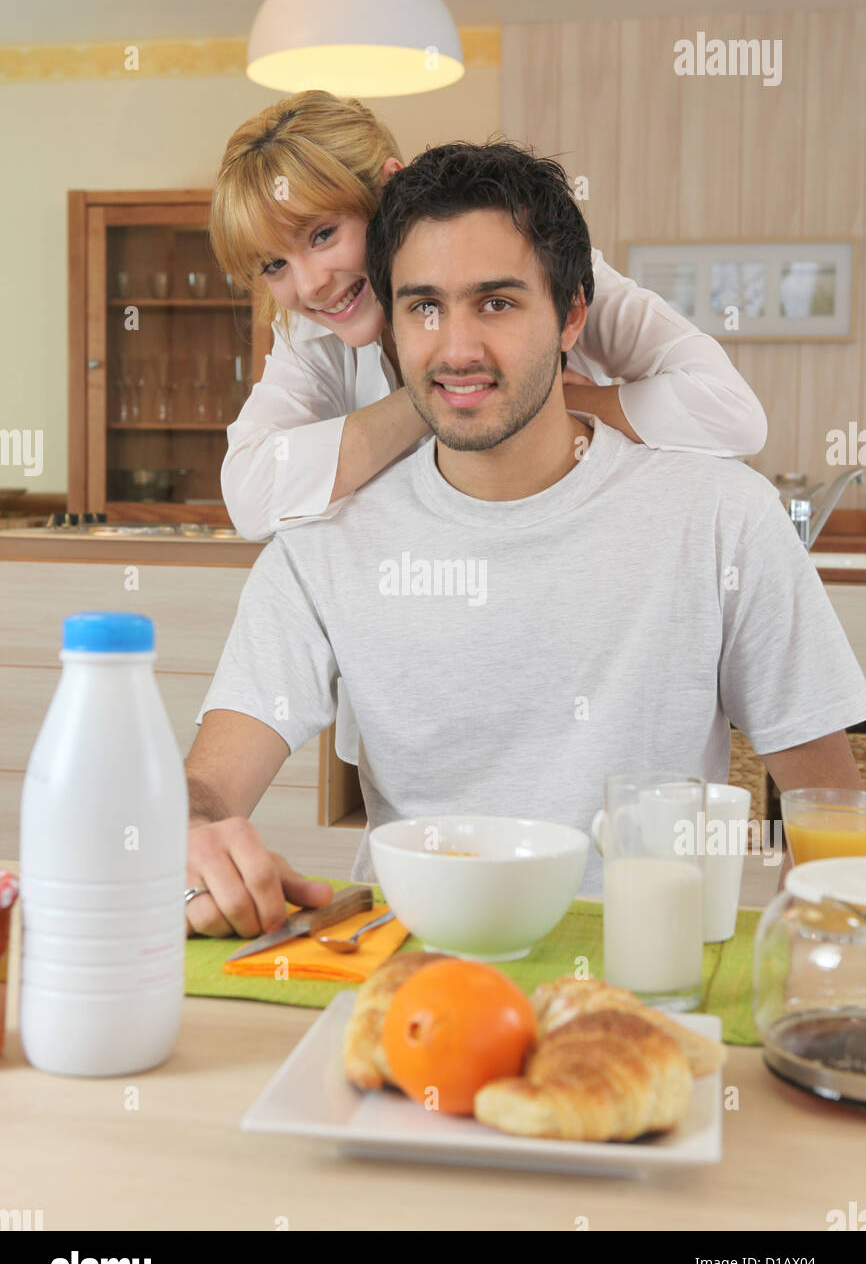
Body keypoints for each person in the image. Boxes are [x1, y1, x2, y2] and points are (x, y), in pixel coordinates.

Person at [184, 140, 865, 941]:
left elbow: (834, 812)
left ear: (574, 313)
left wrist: (806, 984)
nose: (458, 348)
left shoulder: (723, 518)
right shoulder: (319, 546)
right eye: (424, 307)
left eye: (498, 303)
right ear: (390, 326)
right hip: (400, 971)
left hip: (649, 974)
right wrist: (194, 828)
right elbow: (209, 785)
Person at [208, 91, 769, 767]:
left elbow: (730, 412)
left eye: (323, 235)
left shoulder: (545, 271)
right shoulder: (310, 339)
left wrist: (560, 396)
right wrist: (451, 393)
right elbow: (252, 493)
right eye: (275, 265)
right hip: (424, 661)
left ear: (389, 191)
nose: (310, 284)